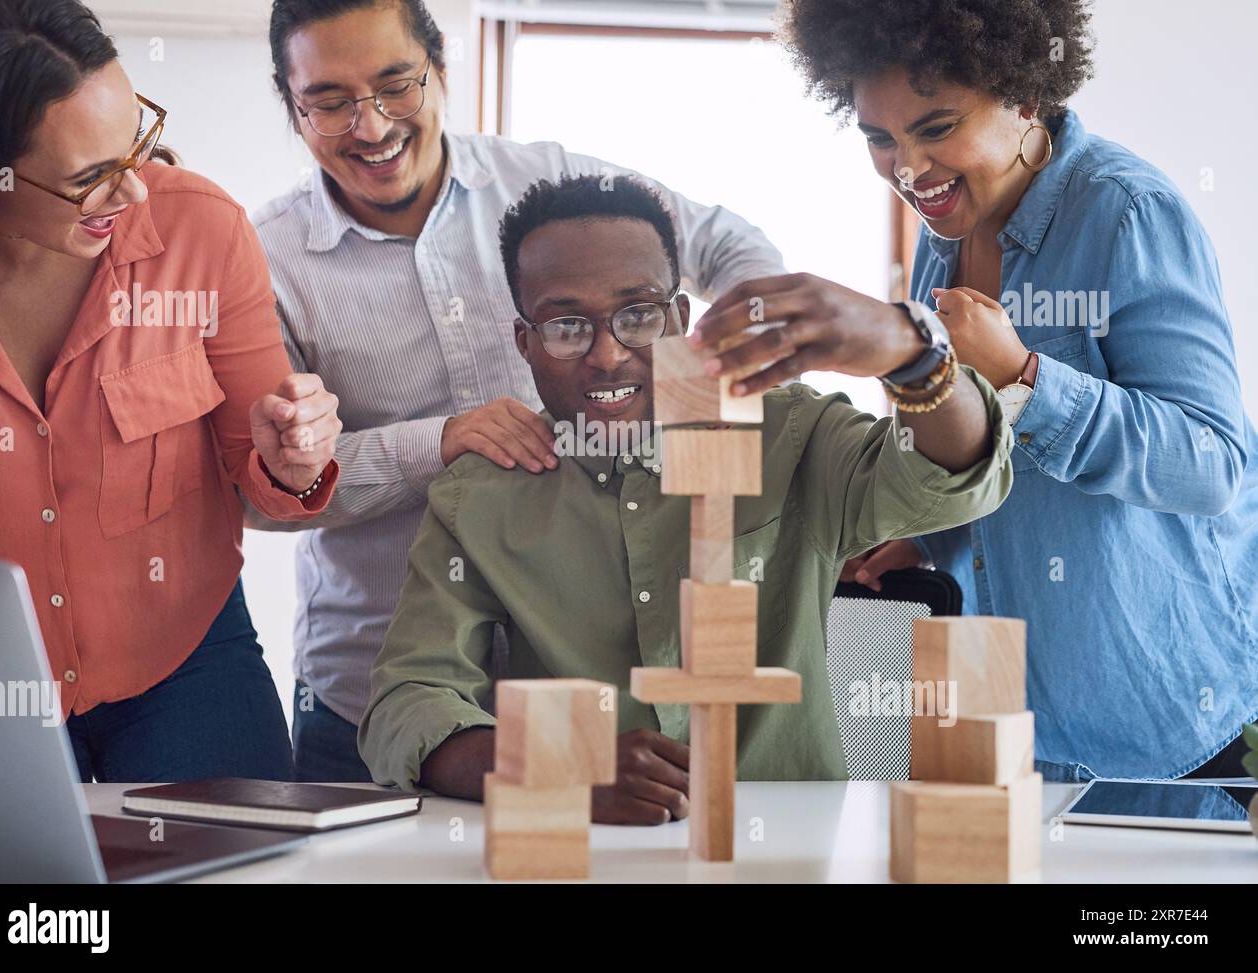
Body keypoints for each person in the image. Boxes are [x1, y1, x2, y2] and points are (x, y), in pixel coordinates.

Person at [707, 0, 1258, 781]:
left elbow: (1208, 465)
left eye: (935, 128)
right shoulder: (946, 241)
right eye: (878, 136)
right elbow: (994, 462)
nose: (906, 169)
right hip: (1014, 727)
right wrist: (932, 533)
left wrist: (1026, 376)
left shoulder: (1128, 213)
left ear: (1024, 94)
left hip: (1167, 722)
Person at [357, 173, 1013, 822]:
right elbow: (407, 701)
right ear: (525, 342)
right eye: (565, 325)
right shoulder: (482, 492)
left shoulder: (784, 430)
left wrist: (913, 353)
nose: (607, 354)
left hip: (789, 855)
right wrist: (559, 762)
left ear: (679, 318)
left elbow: (954, 477)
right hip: (591, 859)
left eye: (637, 314)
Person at [247, 0, 790, 782]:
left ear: (439, 65)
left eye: (396, 84)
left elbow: (731, 245)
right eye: (329, 102)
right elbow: (263, 494)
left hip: (584, 689)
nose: (370, 127)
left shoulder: (544, 184)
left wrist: (687, 376)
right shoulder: (265, 259)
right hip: (375, 700)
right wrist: (435, 442)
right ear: (290, 105)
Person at [0, 0, 342, 782]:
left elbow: (269, 479)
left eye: (135, 140)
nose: (134, 192)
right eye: (91, 179)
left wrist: (293, 455)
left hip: (187, 662)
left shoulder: (199, 229)